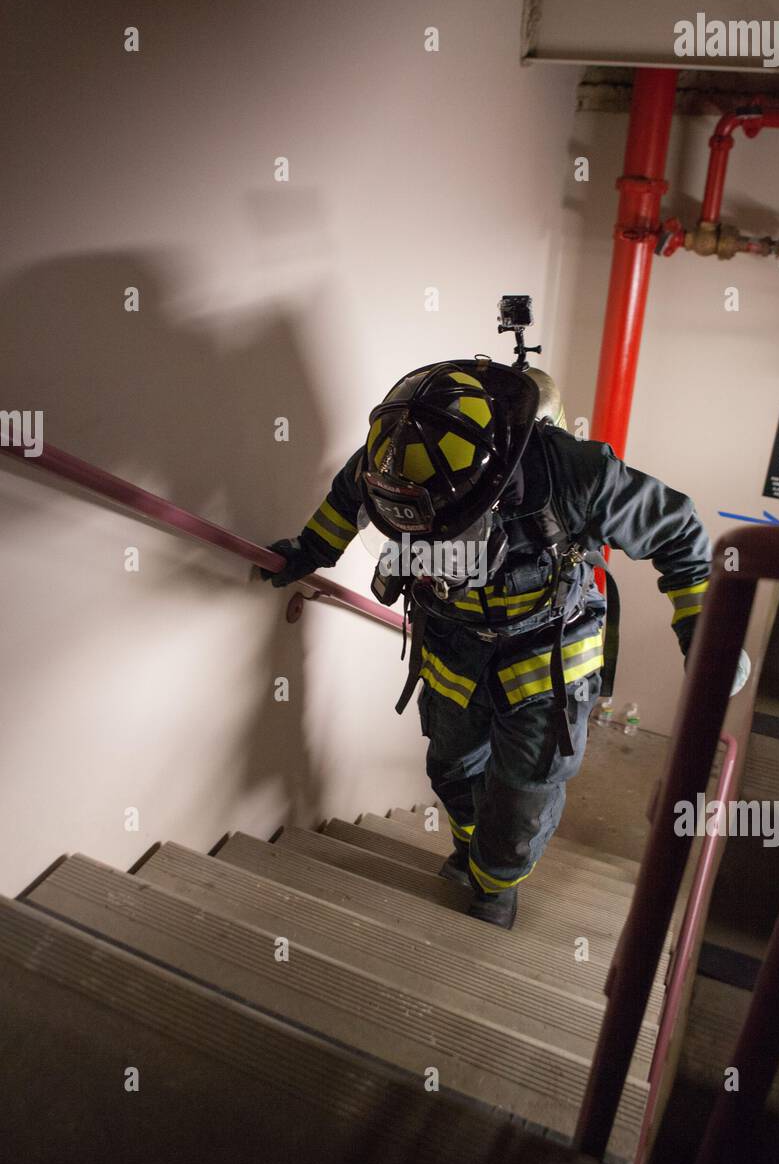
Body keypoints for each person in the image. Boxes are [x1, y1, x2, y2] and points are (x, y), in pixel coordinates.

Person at [263, 357, 715, 930]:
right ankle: (470, 851)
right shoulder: (398, 452)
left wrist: (699, 628)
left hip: (546, 654)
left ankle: (496, 886)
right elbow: (346, 502)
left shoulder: (576, 475)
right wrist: (306, 552)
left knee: (522, 794)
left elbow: (679, 531)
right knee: (451, 767)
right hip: (453, 645)